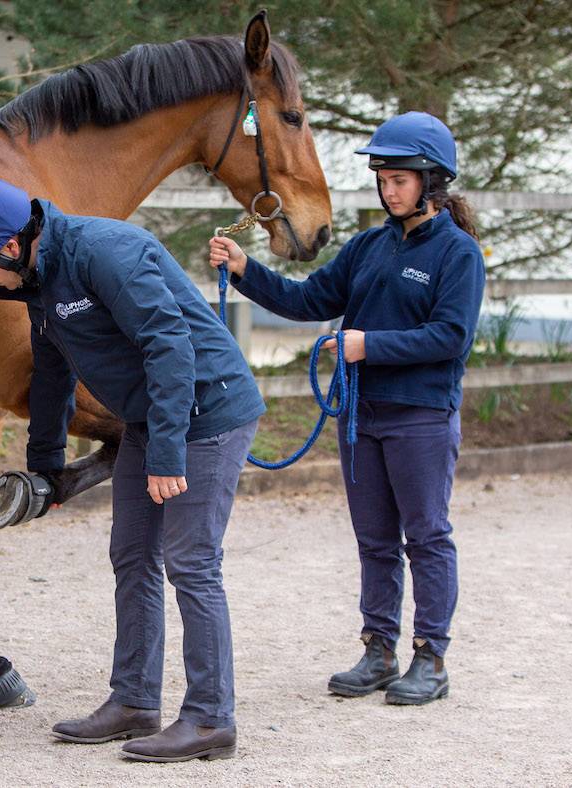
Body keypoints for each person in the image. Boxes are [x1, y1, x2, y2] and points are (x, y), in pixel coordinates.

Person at [0, 174, 264, 761]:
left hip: (208, 411)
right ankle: (134, 701)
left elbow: (169, 342)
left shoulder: (106, 251)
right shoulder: (37, 279)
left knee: (191, 561)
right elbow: (53, 373)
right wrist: (46, 472)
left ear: (9, 246)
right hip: (149, 418)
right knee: (132, 553)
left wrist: (165, 453)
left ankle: (211, 718)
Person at [208, 111, 484, 705]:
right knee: (375, 539)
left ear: (432, 182)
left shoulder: (458, 254)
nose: (389, 189)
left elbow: (451, 337)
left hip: (420, 415)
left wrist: (369, 346)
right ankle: (379, 649)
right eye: (383, 178)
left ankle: (431, 658)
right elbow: (308, 298)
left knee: (427, 536)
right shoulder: (368, 247)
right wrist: (244, 269)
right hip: (360, 414)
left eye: (400, 179)